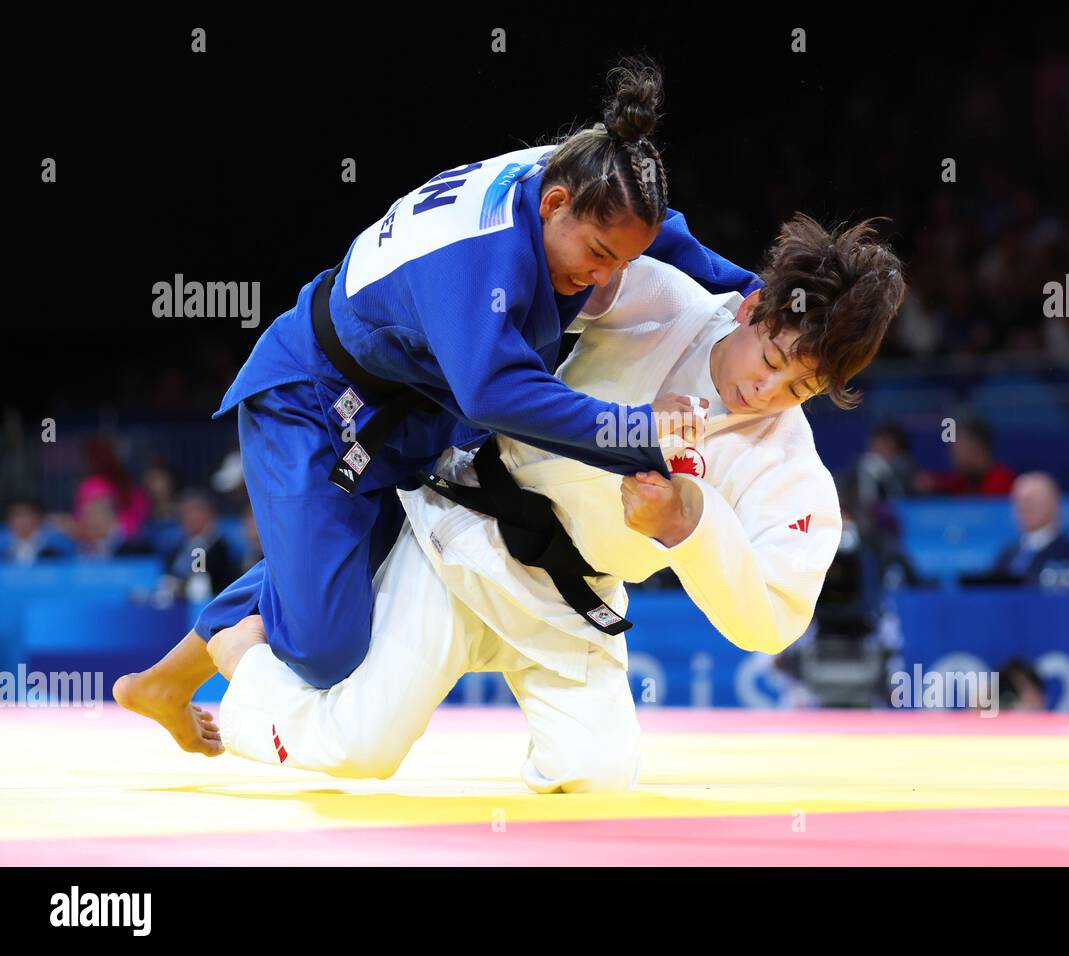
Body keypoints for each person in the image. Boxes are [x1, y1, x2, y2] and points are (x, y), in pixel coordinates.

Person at [114, 59, 762, 756]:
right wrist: (640, 435)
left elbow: (657, 231)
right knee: (327, 650)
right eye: (598, 255)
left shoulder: (586, 177)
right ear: (554, 204)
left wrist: (742, 284)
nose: (604, 279)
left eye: (620, 262)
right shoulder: (478, 258)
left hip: (408, 408)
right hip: (314, 402)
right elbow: (497, 395)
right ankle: (235, 654)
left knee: (339, 569)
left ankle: (158, 684)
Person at [204, 216, 906, 786]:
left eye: (800, 390)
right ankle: (244, 654)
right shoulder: (663, 299)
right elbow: (559, 268)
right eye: (773, 360)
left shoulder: (786, 466)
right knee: (361, 748)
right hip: (461, 538)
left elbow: (773, 618)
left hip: (570, 599)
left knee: (598, 780)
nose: (768, 393)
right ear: (752, 307)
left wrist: (690, 527)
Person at [991, 472, 1069, 587]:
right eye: (1019, 501)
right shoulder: (1006, 556)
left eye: (1032, 501)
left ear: (1054, 502)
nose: (1024, 507)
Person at [917, 419, 1015, 496]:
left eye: (958, 449)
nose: (953, 455)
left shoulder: (1002, 483)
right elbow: (938, 483)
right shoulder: (961, 481)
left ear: (979, 448)